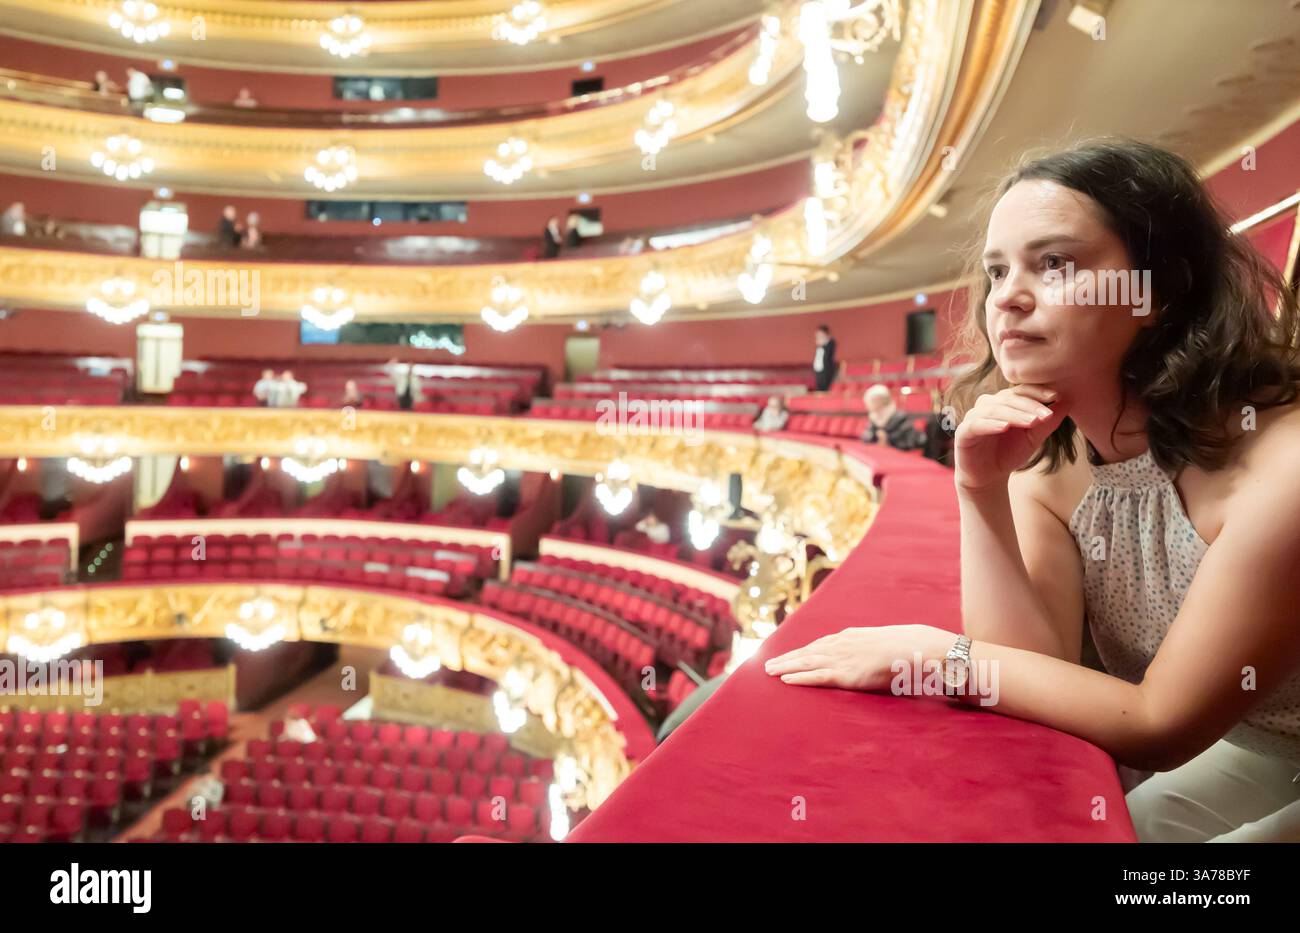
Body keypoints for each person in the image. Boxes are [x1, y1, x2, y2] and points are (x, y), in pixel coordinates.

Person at [764, 138, 1300, 842]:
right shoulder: (1054, 459)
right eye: (996, 271)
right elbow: (1027, 666)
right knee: (1137, 828)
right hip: (1264, 744)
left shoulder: (1281, 465)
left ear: (1157, 291)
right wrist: (979, 488)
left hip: (1251, 739)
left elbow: (1157, 725)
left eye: (1054, 263)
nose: (1006, 298)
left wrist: (935, 656)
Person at [861, 384, 925, 451]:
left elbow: (908, 443)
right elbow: (865, 437)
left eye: (870, 401)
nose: (867, 405)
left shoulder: (900, 418)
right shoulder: (874, 417)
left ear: (880, 401)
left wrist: (887, 439)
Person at [812, 325, 837, 392]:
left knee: (826, 389)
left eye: (820, 335)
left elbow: (829, 354)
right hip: (819, 372)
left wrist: (824, 342)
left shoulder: (830, 343)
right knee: (819, 389)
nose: (818, 337)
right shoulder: (819, 347)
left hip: (827, 372)